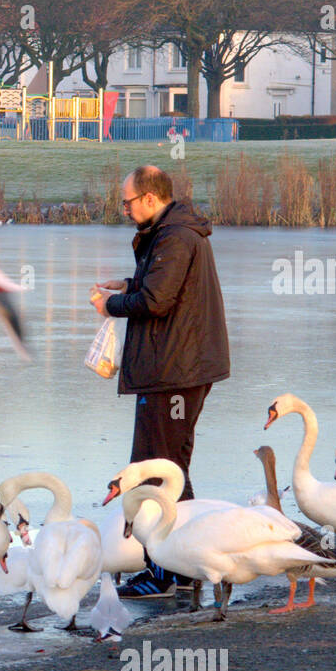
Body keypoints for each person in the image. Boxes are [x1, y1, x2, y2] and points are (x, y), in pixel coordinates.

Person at [90, 165, 230, 599]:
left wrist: (111, 305)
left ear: (150, 198)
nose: (125, 209)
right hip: (177, 367)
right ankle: (180, 566)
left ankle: (165, 572)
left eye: (128, 201)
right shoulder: (173, 233)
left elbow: (157, 301)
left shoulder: (175, 236)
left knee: (157, 467)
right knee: (171, 467)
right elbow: (166, 288)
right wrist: (129, 282)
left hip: (175, 372)